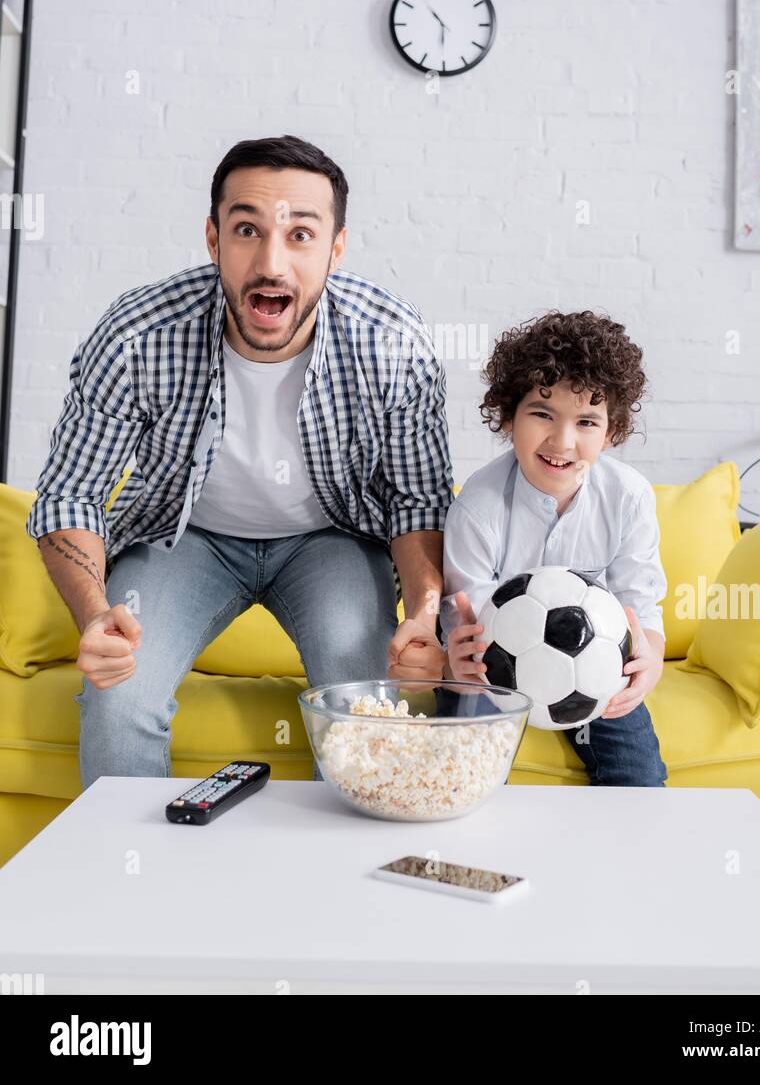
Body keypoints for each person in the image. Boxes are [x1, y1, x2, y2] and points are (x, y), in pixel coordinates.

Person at [26, 135, 453, 789]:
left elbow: (417, 502)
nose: (271, 264)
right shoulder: (138, 334)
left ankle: (347, 886)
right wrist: (93, 615)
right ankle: (134, 881)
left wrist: (423, 616)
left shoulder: (393, 341)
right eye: (247, 229)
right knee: (120, 697)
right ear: (212, 238)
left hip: (330, 540)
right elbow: (71, 497)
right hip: (184, 538)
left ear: (336, 249)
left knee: (366, 704)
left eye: (301, 235)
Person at [440, 309, 668, 787]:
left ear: (611, 431)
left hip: (599, 671)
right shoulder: (478, 507)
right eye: (542, 414)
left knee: (639, 775)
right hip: (494, 676)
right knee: (460, 777)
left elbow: (641, 609)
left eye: (586, 421)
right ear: (508, 416)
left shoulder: (627, 498)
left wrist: (649, 662)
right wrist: (457, 655)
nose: (562, 441)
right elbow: (460, 621)